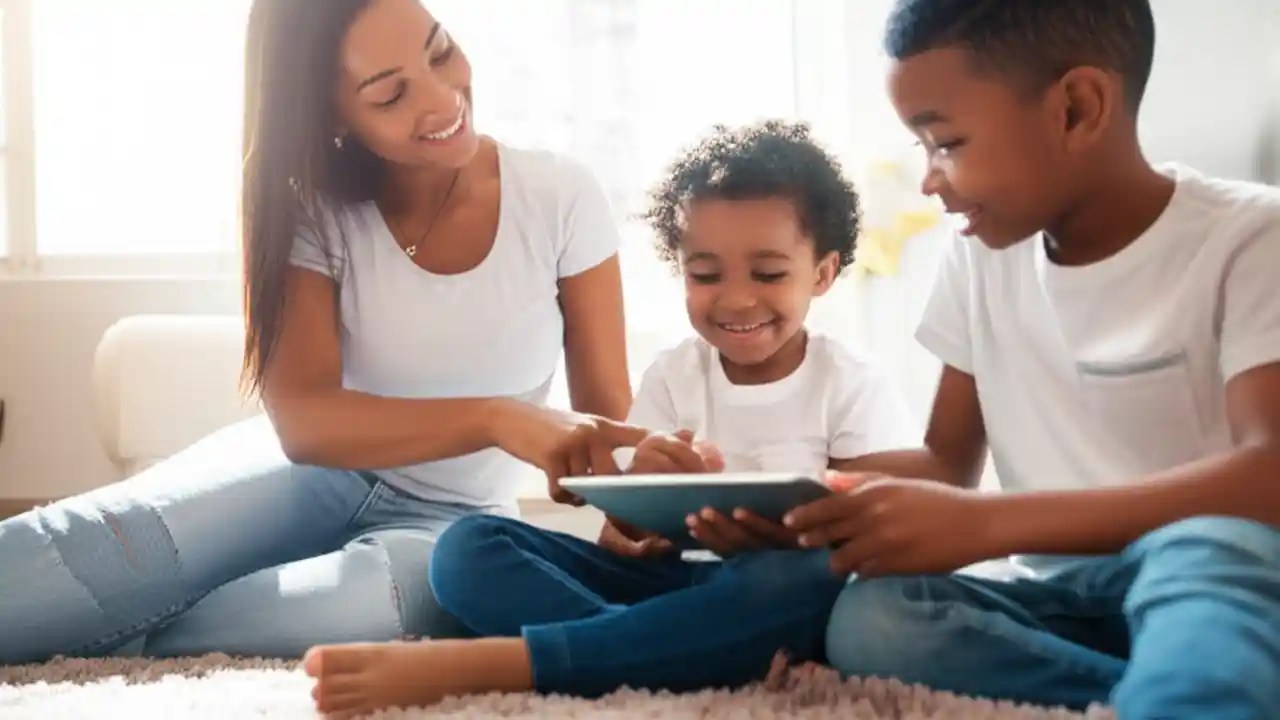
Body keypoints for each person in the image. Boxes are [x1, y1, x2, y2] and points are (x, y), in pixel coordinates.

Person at [0, 0, 644, 664]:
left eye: (441, 50)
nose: (444, 95)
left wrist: (639, 514)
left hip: (452, 520)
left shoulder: (561, 196)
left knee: (328, 613)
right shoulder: (309, 208)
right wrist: (498, 417)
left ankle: (117, 639)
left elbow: (608, 415)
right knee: (103, 551)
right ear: (333, 114)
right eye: (392, 93)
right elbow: (306, 423)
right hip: (304, 477)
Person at [301, 120, 919, 718]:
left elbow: (879, 530)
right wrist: (643, 490)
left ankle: (524, 662)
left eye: (768, 274)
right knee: (468, 548)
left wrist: (789, 532)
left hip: (770, 589)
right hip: (674, 585)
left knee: (809, 583)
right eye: (706, 275)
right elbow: (625, 534)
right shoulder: (673, 375)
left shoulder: (848, 382)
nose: (735, 298)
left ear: (822, 273)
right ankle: (646, 650)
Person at [779, 1, 1280, 718]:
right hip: (1065, 597)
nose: (928, 178)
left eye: (945, 142)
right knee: (876, 617)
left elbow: (1270, 477)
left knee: (1206, 550)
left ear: (1077, 109)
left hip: (1227, 579)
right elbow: (946, 464)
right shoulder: (979, 258)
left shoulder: (1252, 238)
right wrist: (790, 498)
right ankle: (1169, 690)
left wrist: (990, 523)